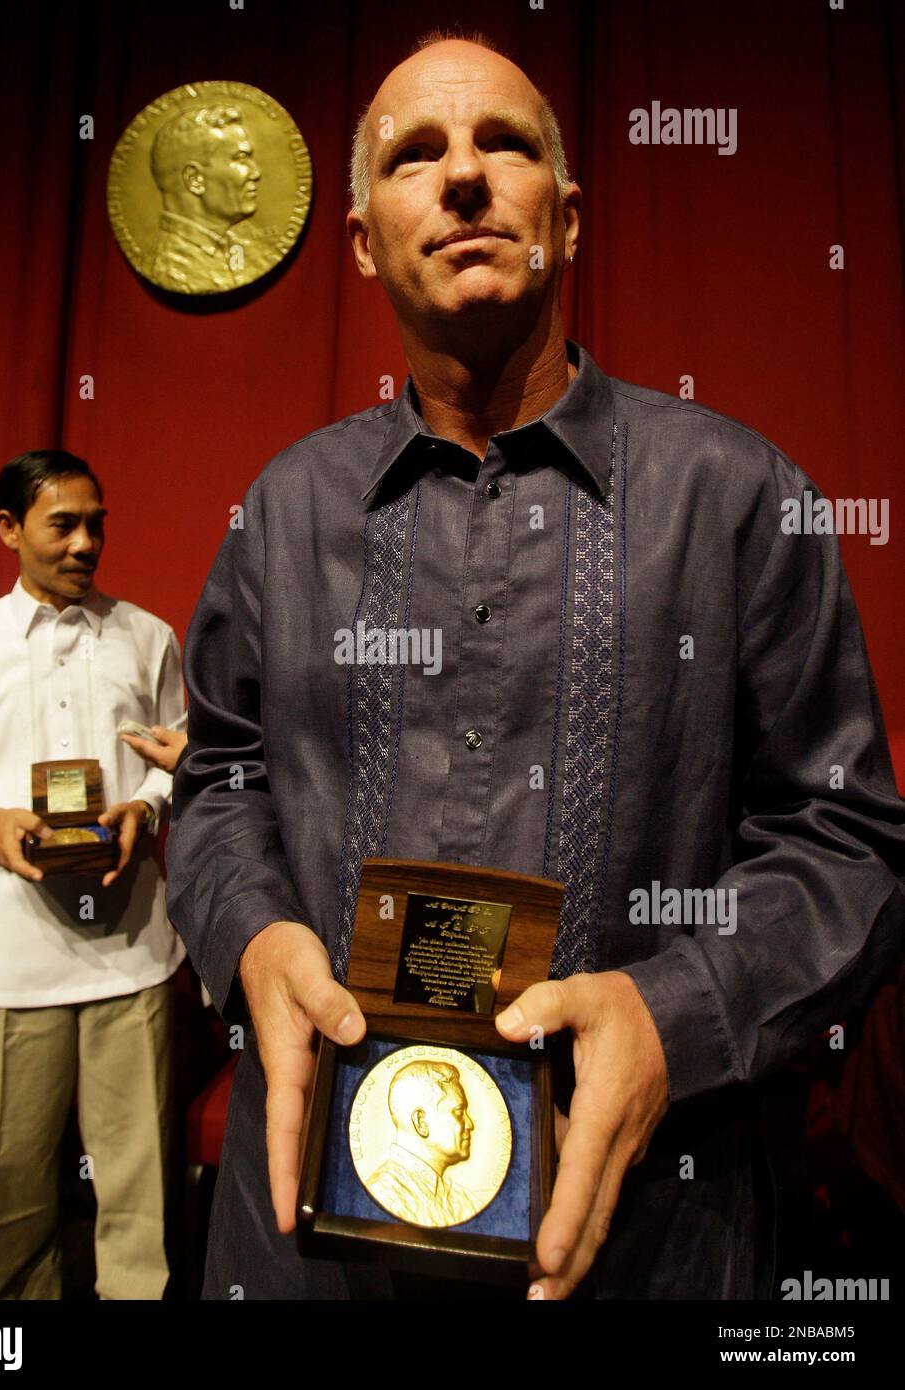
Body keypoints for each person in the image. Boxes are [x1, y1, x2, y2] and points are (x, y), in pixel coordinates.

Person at [167, 32, 905, 1300]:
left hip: (636, 1236)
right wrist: (255, 936)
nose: (462, 177)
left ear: (563, 219)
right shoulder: (281, 510)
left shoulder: (737, 497)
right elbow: (220, 784)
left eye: (501, 143)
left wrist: (672, 1015)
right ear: (358, 242)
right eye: (415, 153)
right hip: (307, 1241)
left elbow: (845, 845)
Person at [0, 450, 187, 1299]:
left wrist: (149, 805)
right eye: (62, 523)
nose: (85, 542)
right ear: (5, 530)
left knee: (141, 1199)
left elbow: (183, 760)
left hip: (131, 952)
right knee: (17, 1204)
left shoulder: (149, 636)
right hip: (7, 964)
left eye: (96, 522)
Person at [148, 105, 261, 293]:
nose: (256, 173)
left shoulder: (237, 247)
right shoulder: (172, 268)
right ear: (195, 179)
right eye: (241, 158)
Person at [367, 1060, 478, 1228]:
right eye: (459, 1112)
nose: (470, 1124)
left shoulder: (462, 1201)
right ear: (421, 1122)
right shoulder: (384, 1193)